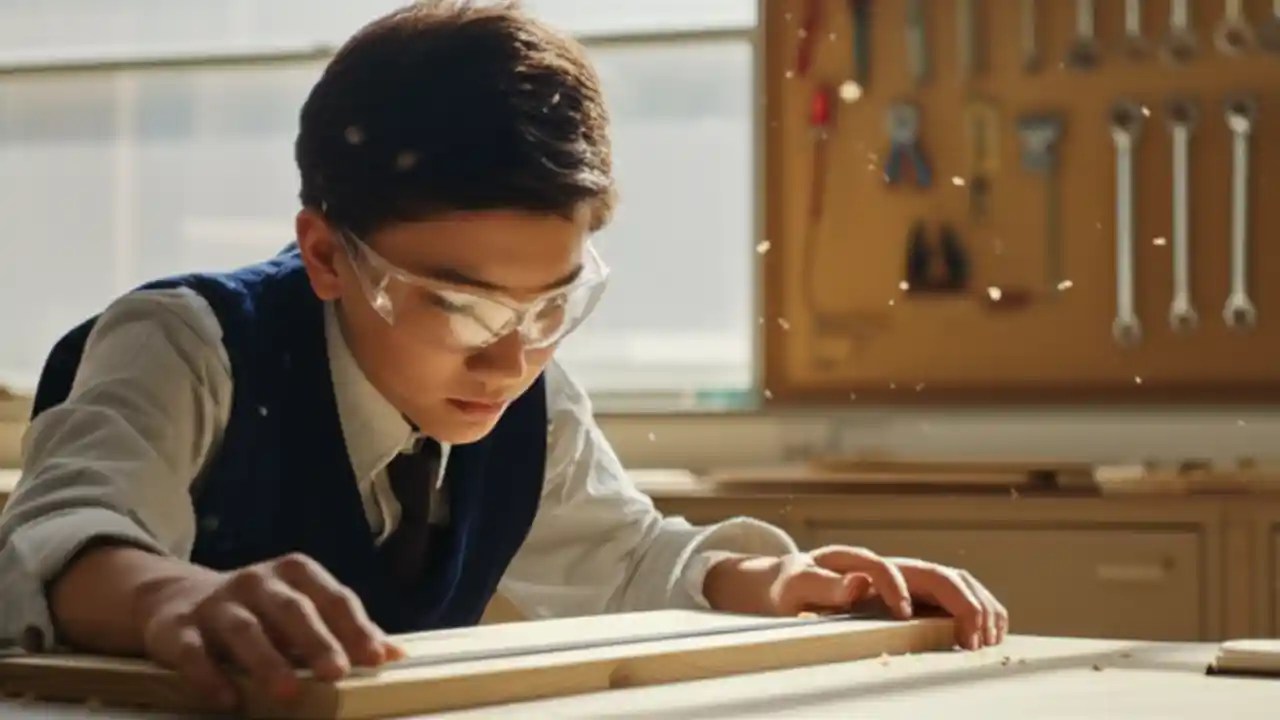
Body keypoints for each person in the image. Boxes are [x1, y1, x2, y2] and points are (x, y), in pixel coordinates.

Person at [0, 0, 1007, 712]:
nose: (510, 357)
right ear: (323, 254)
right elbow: (62, 537)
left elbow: (620, 558)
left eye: (553, 302)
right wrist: (181, 596)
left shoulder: (529, 394)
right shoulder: (187, 344)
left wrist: (785, 585)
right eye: (454, 303)